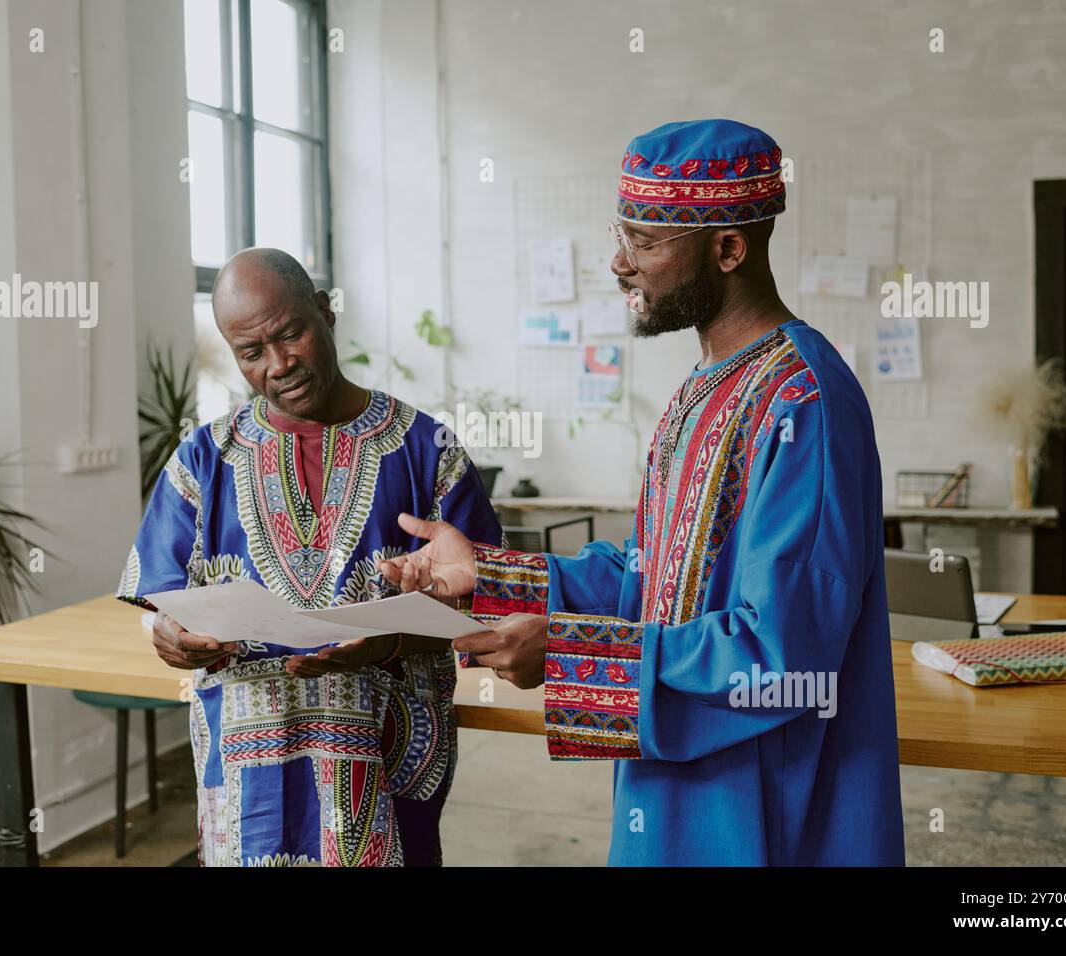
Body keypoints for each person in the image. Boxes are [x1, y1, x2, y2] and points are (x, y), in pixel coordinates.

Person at [381, 119, 906, 866]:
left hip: (762, 808)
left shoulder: (805, 403)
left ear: (729, 248)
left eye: (647, 241)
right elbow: (647, 574)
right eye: (620, 234)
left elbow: (786, 660)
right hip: (671, 787)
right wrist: (488, 575)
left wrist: (569, 658)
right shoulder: (703, 388)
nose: (620, 263)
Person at [117, 248, 501, 866]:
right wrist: (168, 637)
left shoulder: (426, 449)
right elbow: (161, 603)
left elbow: (490, 609)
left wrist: (392, 643)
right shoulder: (203, 460)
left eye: (291, 333)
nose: (279, 364)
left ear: (326, 312)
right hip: (248, 779)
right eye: (251, 352)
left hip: (381, 765)